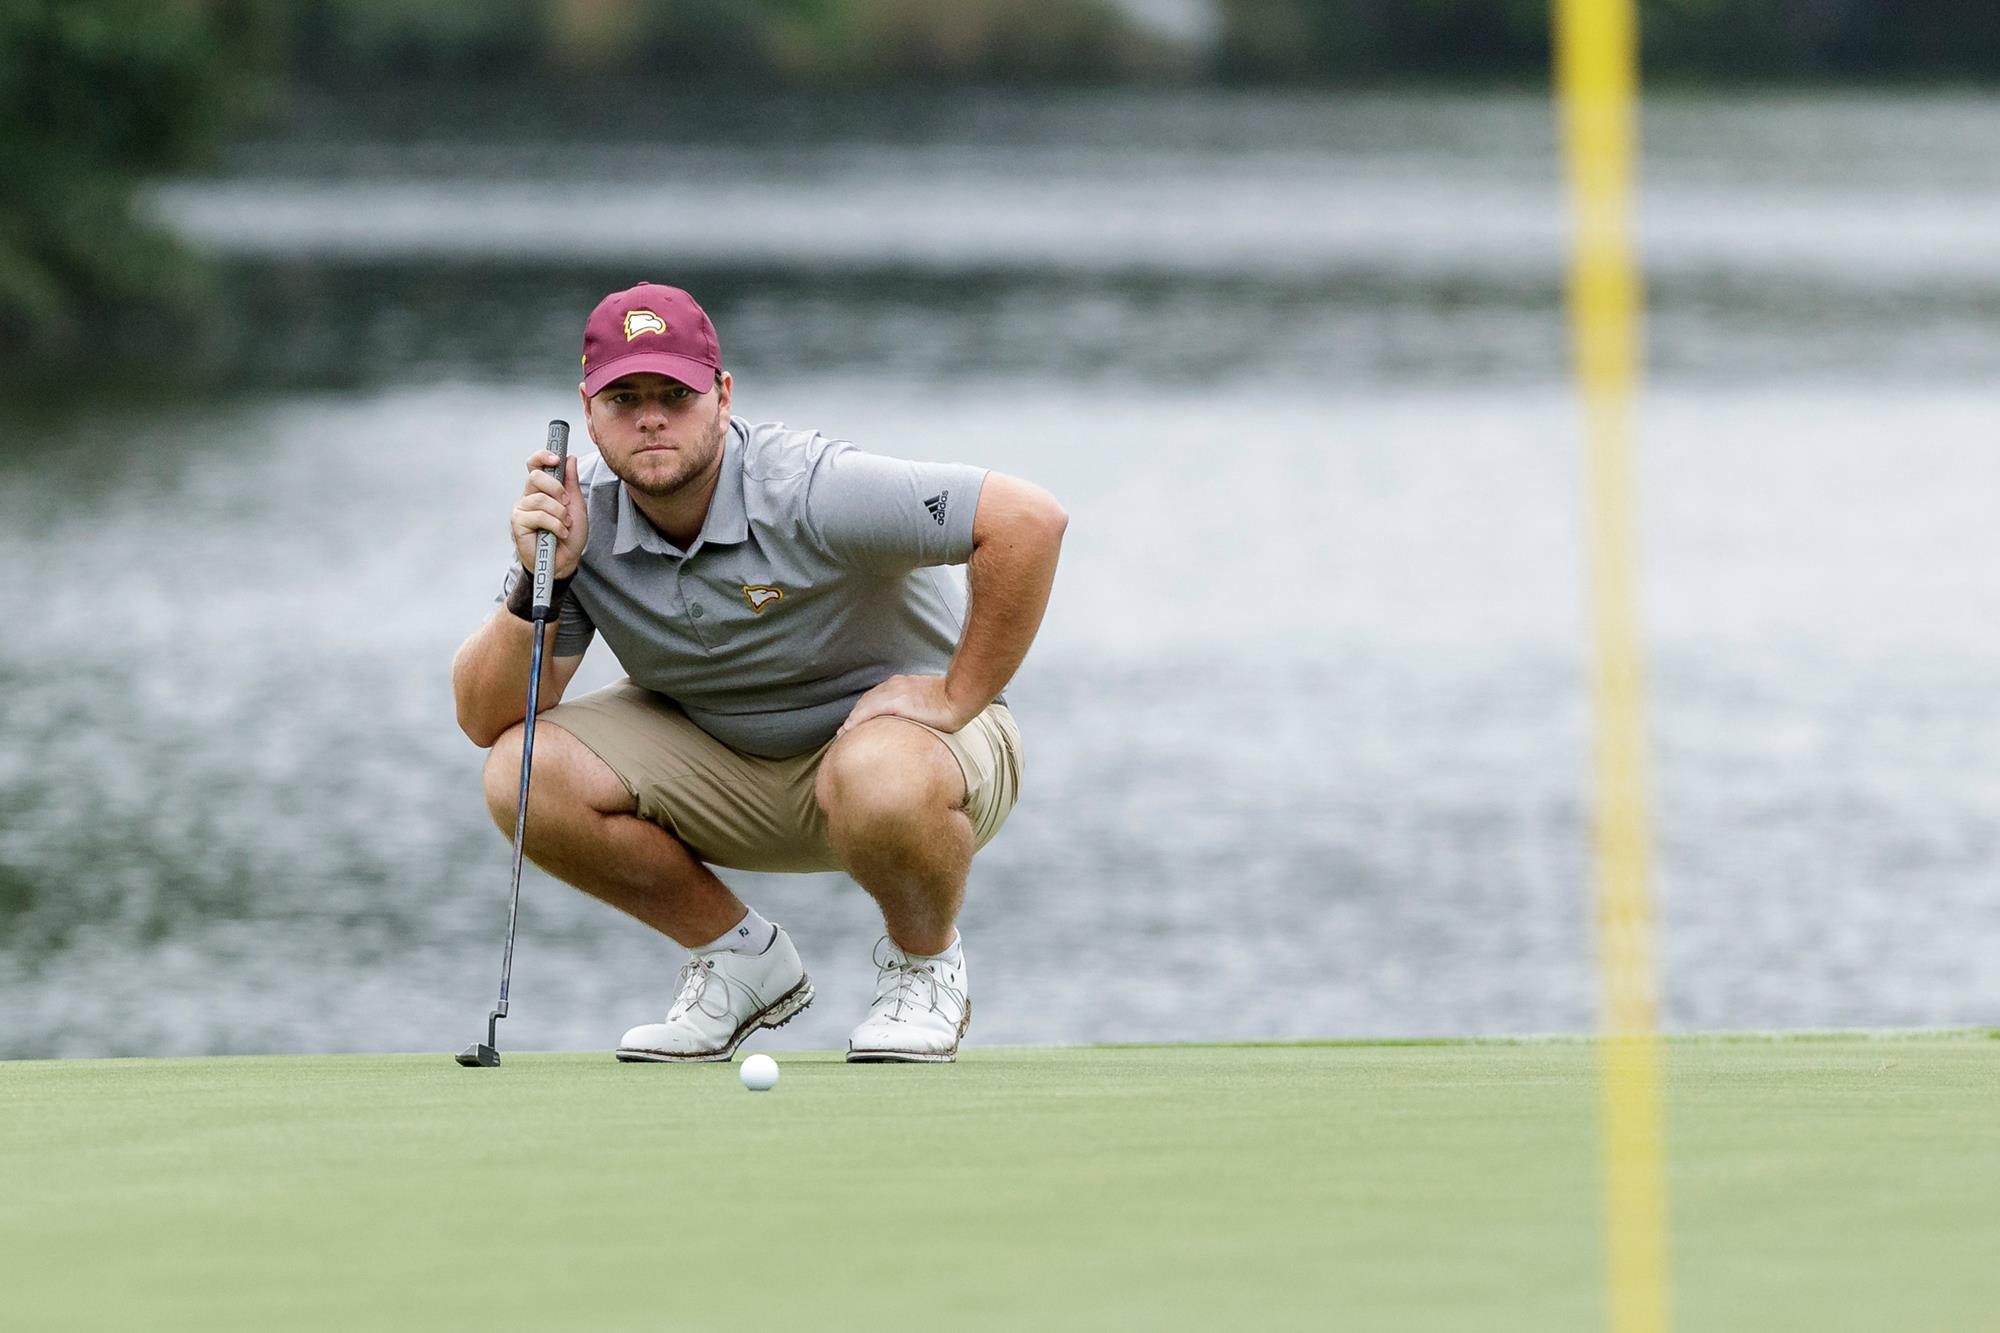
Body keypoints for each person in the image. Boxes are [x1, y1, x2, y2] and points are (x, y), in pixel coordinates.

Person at [450, 282, 1067, 1064]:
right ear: (588, 409)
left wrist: (956, 695)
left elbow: (1028, 520)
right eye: (624, 397)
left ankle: (925, 966)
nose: (651, 417)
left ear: (722, 395)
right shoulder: (582, 521)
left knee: (878, 771)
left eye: (675, 393)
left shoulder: (810, 486)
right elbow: (483, 716)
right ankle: (740, 959)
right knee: (519, 770)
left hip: (912, 758)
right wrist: (539, 577)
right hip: (726, 762)